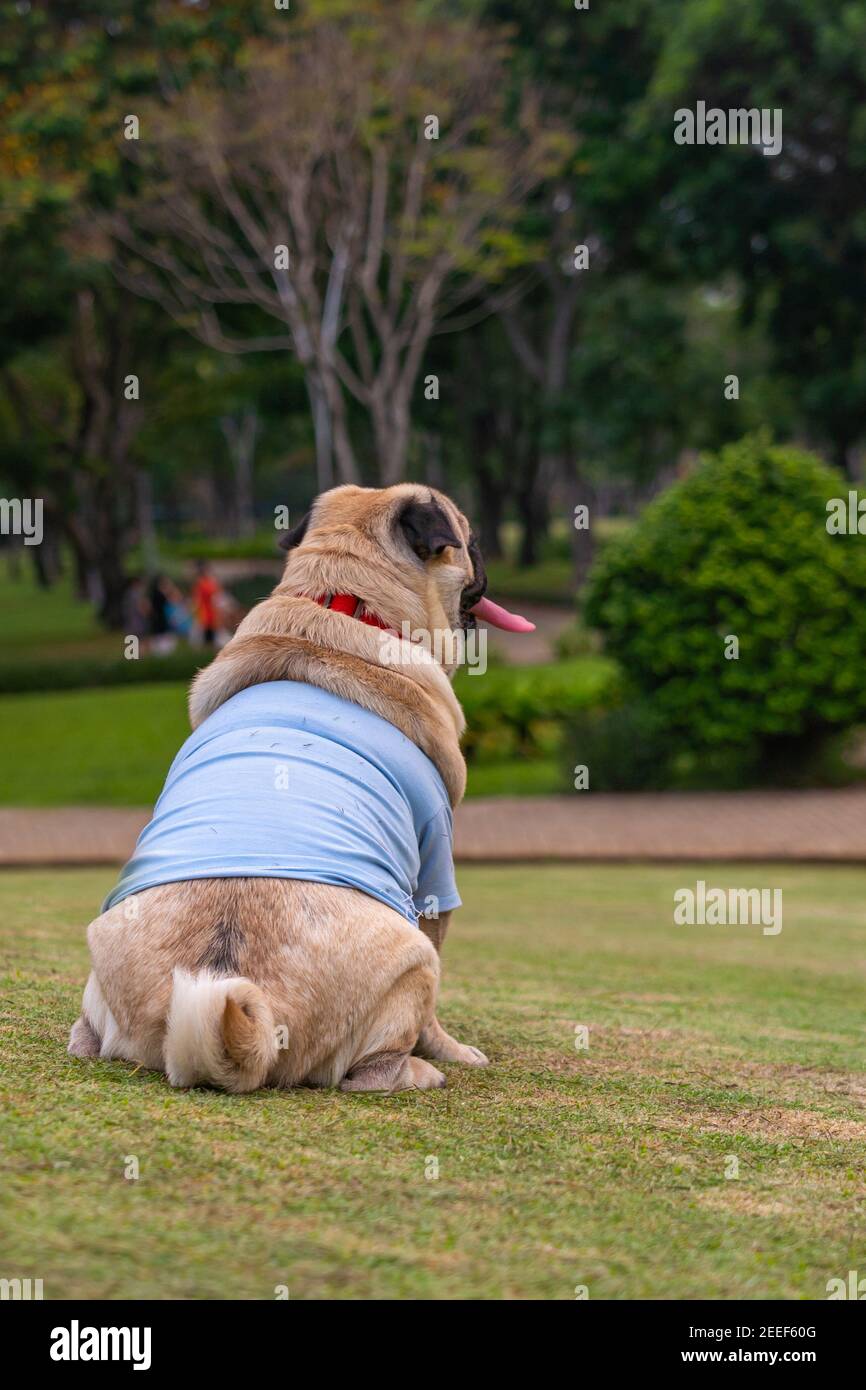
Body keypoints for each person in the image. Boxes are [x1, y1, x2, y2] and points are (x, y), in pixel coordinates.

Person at [191, 560, 220, 646]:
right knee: (207, 640)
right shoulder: (205, 584)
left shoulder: (206, 583)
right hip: (205, 615)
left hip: (209, 615)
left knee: (208, 639)